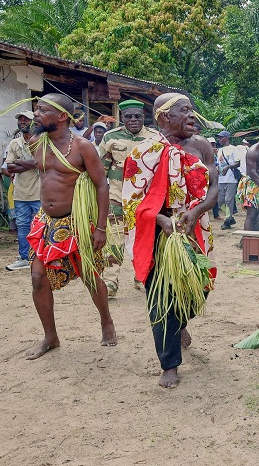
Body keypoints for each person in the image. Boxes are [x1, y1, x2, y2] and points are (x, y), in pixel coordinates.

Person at [123, 93, 218, 388]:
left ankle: (180, 323)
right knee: (160, 298)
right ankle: (169, 364)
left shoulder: (201, 146)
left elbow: (214, 186)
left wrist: (197, 210)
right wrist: (160, 219)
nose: (192, 116)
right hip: (158, 234)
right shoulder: (143, 152)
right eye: (184, 110)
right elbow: (131, 200)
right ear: (164, 117)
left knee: (198, 289)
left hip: (194, 231)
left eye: (192, 110)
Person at [23, 93, 117, 359]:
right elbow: (45, 169)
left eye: (42, 110)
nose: (36, 115)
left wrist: (100, 227)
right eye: (36, 110)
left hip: (76, 221)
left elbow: (101, 185)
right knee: (38, 278)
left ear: (62, 117)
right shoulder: (37, 144)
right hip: (45, 222)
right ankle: (50, 337)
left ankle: (106, 322)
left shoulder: (82, 146)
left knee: (89, 275)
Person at [98, 99, 162, 295]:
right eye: (128, 117)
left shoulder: (156, 138)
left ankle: (141, 277)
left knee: (142, 239)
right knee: (114, 239)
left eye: (137, 116)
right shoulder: (110, 138)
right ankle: (110, 282)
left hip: (144, 200)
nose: (133, 120)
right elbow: (101, 170)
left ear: (144, 117)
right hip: (116, 197)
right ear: (122, 118)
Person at [4, 110, 41, 271]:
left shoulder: (41, 141)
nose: (23, 122)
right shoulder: (15, 143)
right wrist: (30, 163)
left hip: (39, 193)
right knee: (23, 226)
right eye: (21, 120)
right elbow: (9, 167)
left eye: (26, 119)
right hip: (20, 193)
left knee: (40, 226)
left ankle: (41, 257)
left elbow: (42, 163)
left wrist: (20, 162)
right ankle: (24, 257)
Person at [216, 130, 241, 230]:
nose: (219, 139)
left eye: (221, 137)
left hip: (231, 179)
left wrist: (228, 167)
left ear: (226, 138)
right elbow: (218, 164)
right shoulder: (219, 150)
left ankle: (227, 221)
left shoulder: (233, 149)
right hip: (221, 179)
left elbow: (238, 163)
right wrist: (218, 169)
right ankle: (230, 218)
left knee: (228, 200)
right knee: (220, 201)